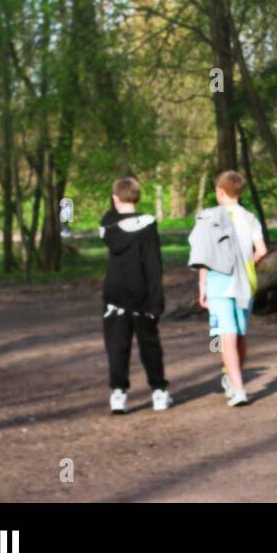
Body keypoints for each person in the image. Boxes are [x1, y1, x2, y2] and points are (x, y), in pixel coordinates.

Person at [188, 171, 266, 407]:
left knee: (225, 336)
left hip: (219, 282)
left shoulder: (210, 217)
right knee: (240, 335)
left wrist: (202, 285)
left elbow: (204, 255)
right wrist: (249, 265)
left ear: (220, 192)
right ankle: (233, 381)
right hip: (245, 282)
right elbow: (261, 251)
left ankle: (238, 388)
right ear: (238, 192)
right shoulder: (250, 218)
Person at [100, 176, 171, 414]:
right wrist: (156, 300)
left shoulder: (109, 226)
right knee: (149, 344)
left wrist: (117, 200)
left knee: (117, 346)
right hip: (142, 294)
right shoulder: (148, 225)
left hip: (114, 294)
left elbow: (111, 216)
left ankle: (118, 393)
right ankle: (158, 391)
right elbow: (153, 265)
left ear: (115, 199)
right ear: (137, 197)